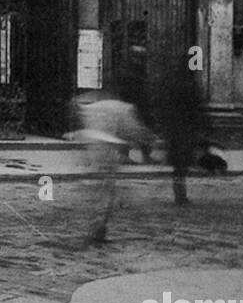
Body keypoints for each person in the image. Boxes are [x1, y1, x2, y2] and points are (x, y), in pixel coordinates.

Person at [71, 90, 155, 244]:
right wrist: (147, 139)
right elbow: (134, 131)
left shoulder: (101, 106)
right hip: (105, 149)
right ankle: (98, 230)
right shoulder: (127, 109)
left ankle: (96, 226)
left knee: (100, 189)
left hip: (94, 144)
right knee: (106, 191)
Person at [152, 60, 205, 206]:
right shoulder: (190, 85)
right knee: (181, 165)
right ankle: (181, 195)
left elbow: (164, 107)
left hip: (175, 130)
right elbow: (196, 109)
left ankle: (179, 193)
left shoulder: (171, 85)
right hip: (185, 131)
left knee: (178, 165)